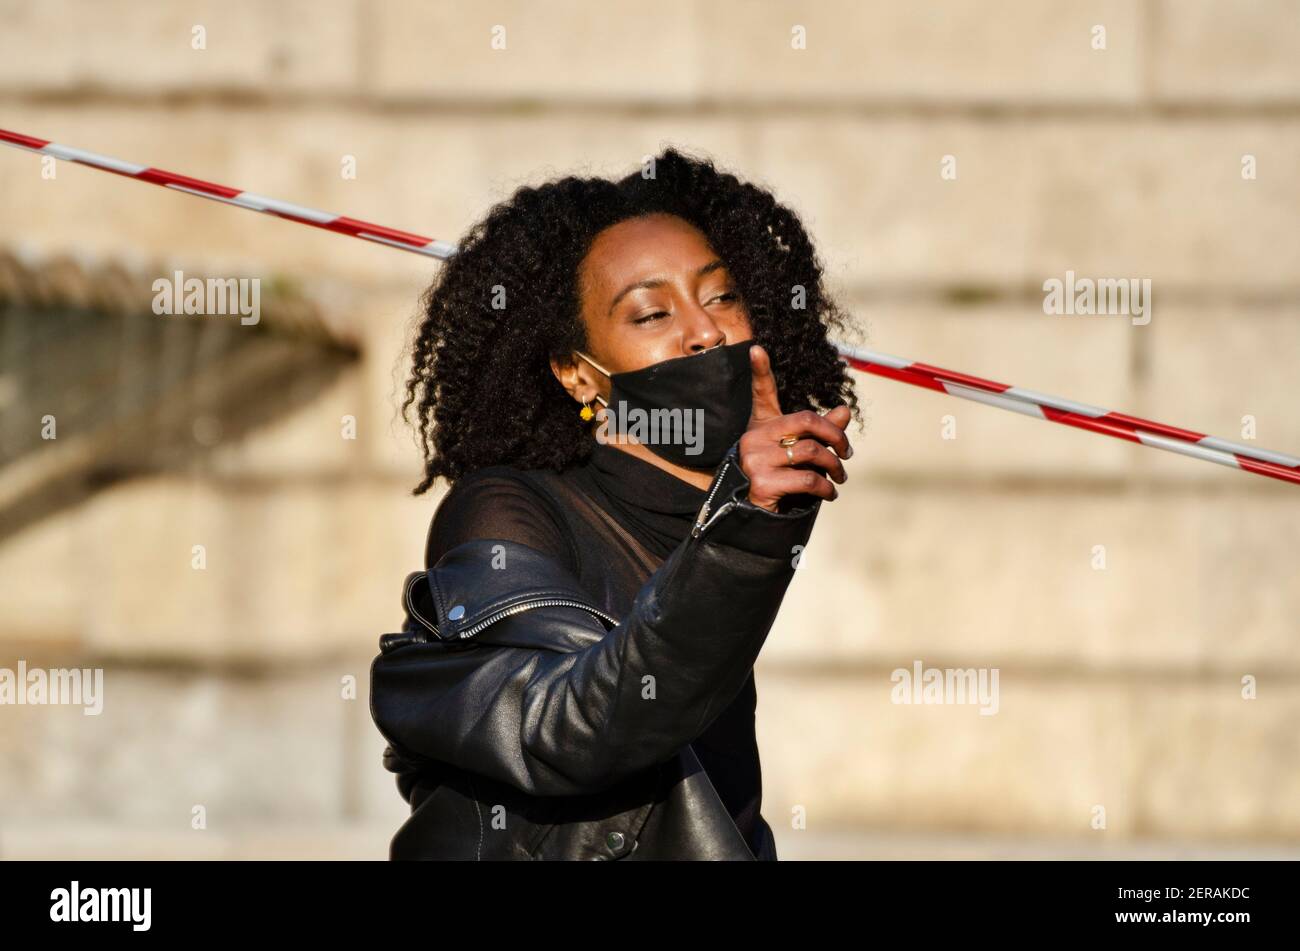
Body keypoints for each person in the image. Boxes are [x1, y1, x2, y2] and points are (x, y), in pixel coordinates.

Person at [369, 147, 862, 860]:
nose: (704, 330)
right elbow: (574, 728)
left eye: (722, 296)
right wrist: (744, 525)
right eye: (651, 312)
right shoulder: (506, 509)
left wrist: (750, 513)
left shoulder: (724, 514)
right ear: (577, 375)